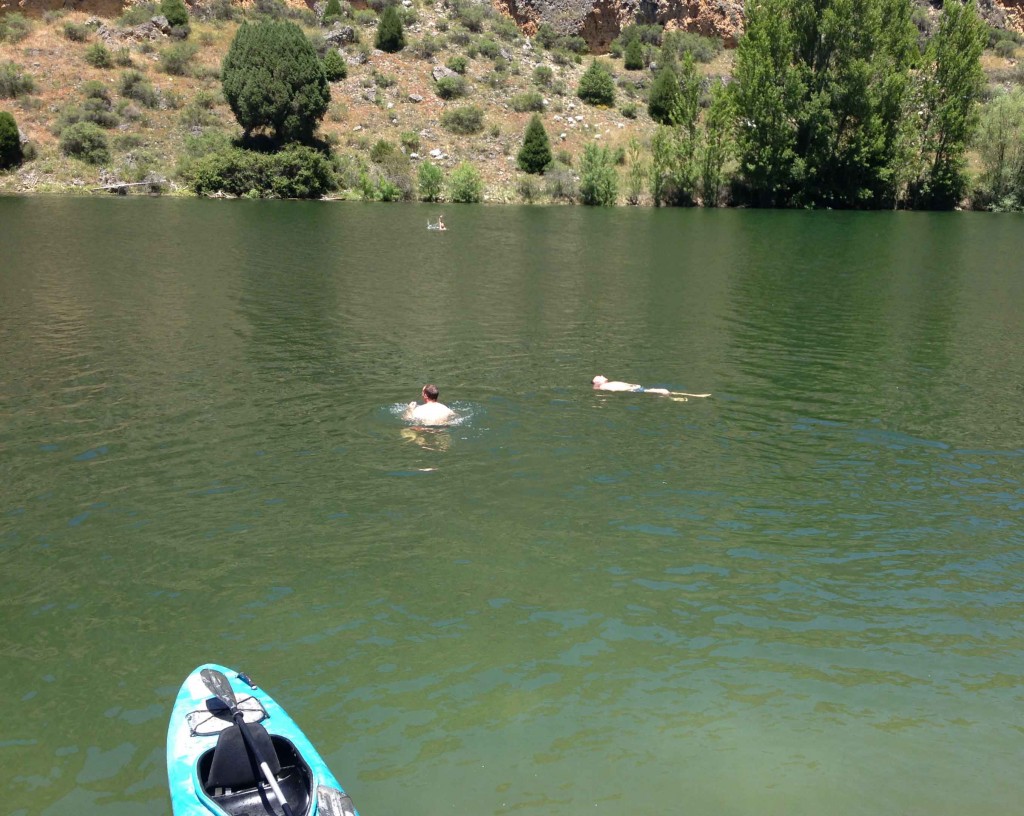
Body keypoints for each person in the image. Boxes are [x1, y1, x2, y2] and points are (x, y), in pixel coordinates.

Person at [591, 375, 710, 399]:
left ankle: (674, 397)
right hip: (634, 389)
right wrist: (631, 387)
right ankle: (674, 397)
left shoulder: (606, 385)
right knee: (663, 391)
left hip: (633, 388)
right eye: (600, 376)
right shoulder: (605, 386)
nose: (602, 375)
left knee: (663, 391)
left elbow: (619, 387)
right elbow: (618, 388)